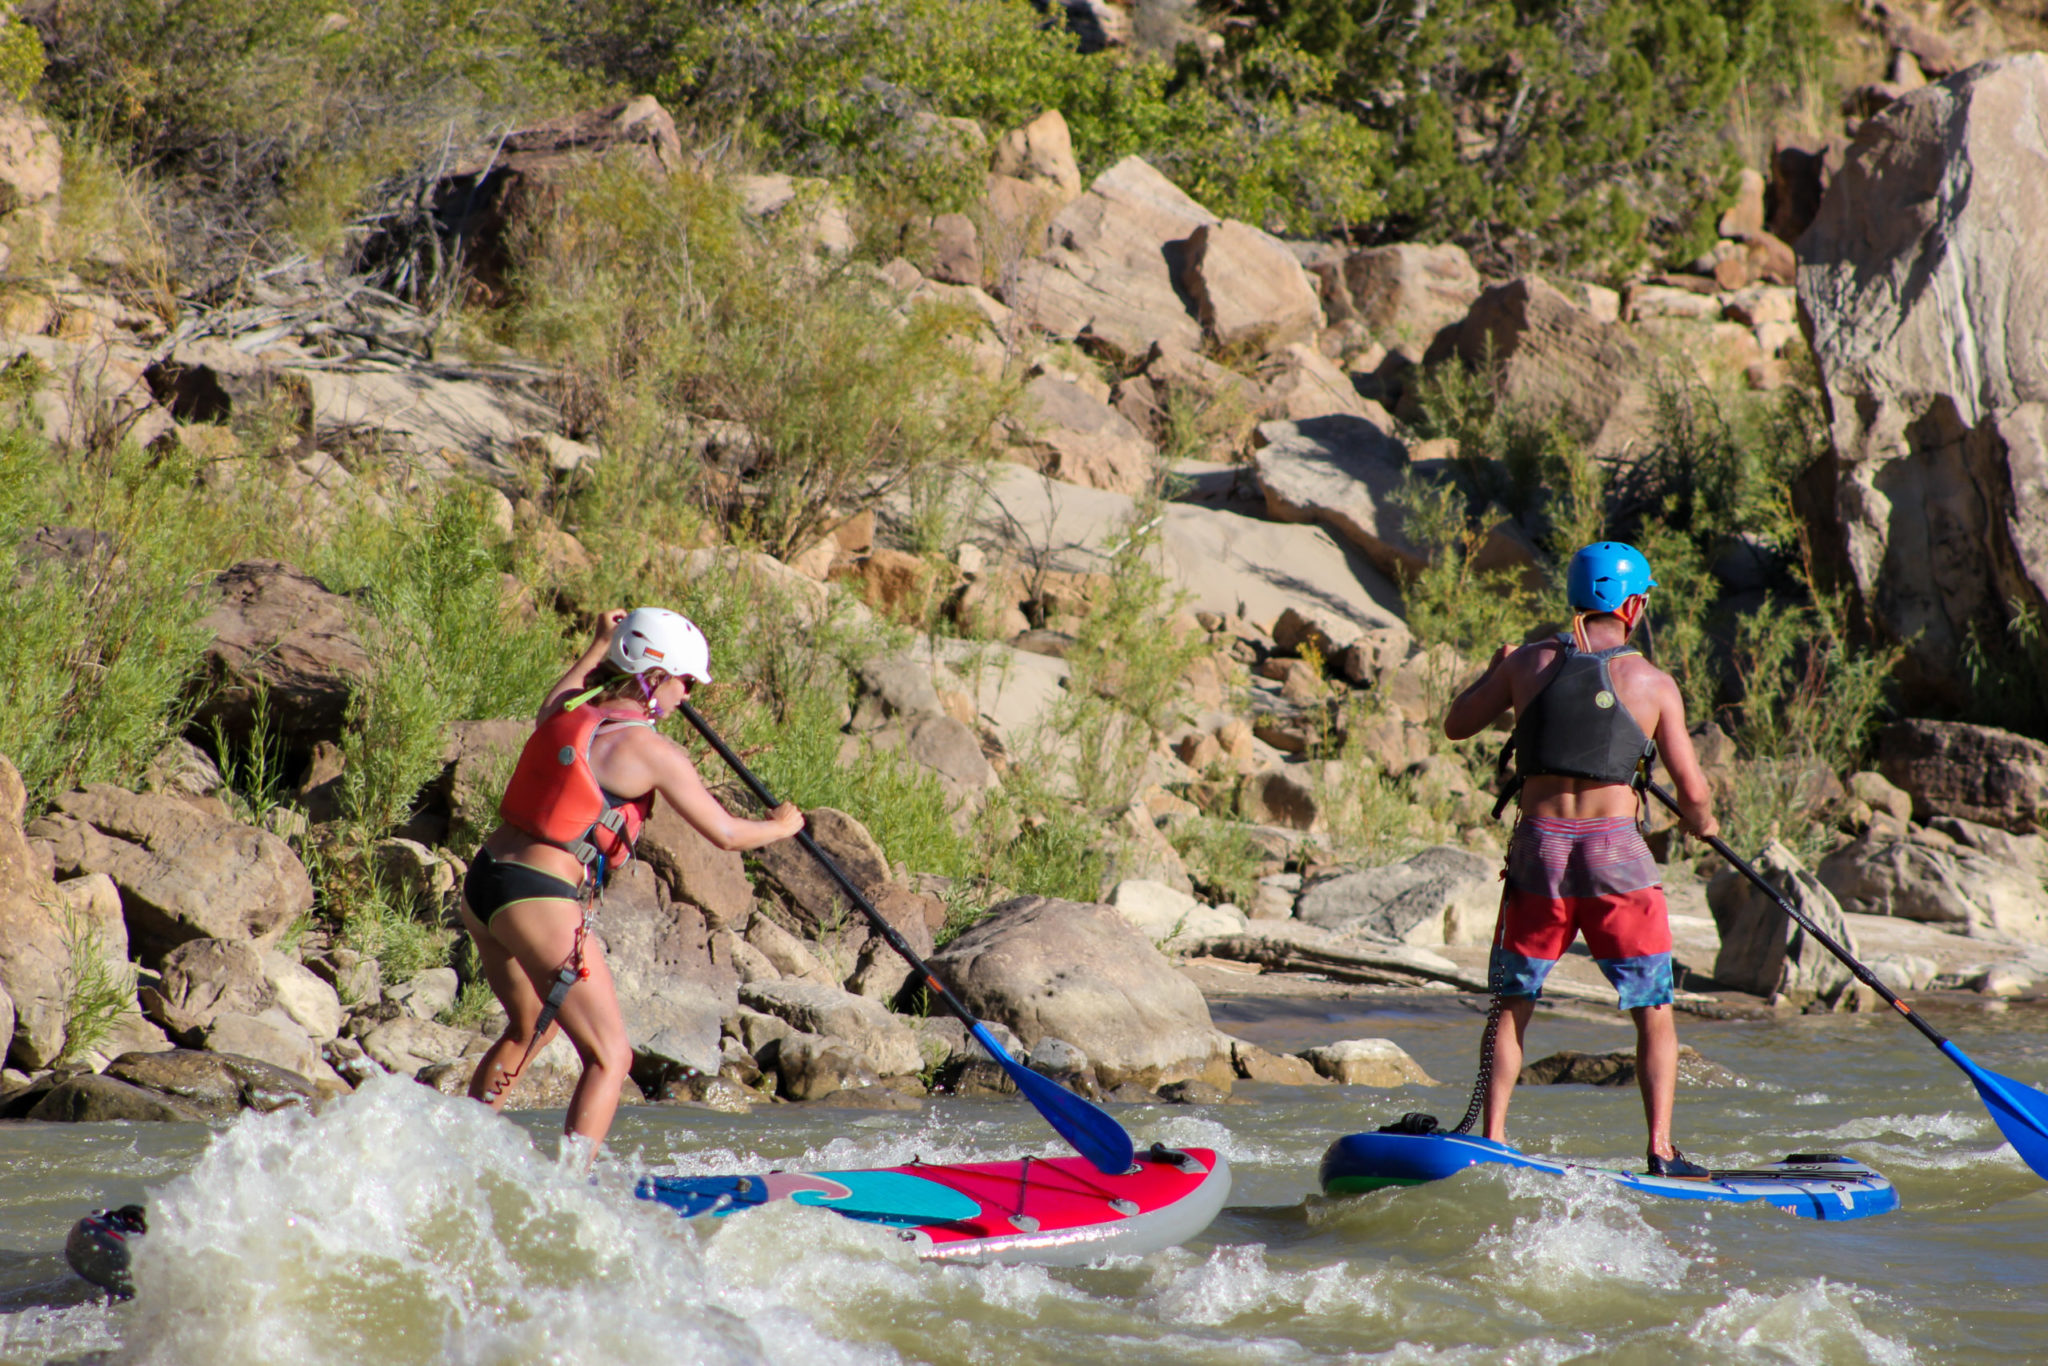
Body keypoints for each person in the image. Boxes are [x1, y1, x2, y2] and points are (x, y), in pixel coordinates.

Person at [459, 606, 804, 1158]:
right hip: (537, 897)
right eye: (685, 683)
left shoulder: (570, 710)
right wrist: (781, 827)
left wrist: (599, 642)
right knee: (611, 1056)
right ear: (656, 676)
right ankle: (569, 1188)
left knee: (529, 1029)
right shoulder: (651, 750)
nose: (687, 697)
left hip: (485, 883)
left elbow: (556, 697)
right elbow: (726, 833)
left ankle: (459, 1150)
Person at [1442, 541, 1720, 1177]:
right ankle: (1660, 1151)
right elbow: (1694, 793)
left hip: (1539, 852)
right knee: (1653, 1009)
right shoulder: (1652, 683)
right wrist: (1702, 823)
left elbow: (1458, 724)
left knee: (1512, 1002)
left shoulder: (1526, 662)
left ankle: (1494, 1136)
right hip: (1615, 857)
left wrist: (1494, 670)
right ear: (1633, 606)